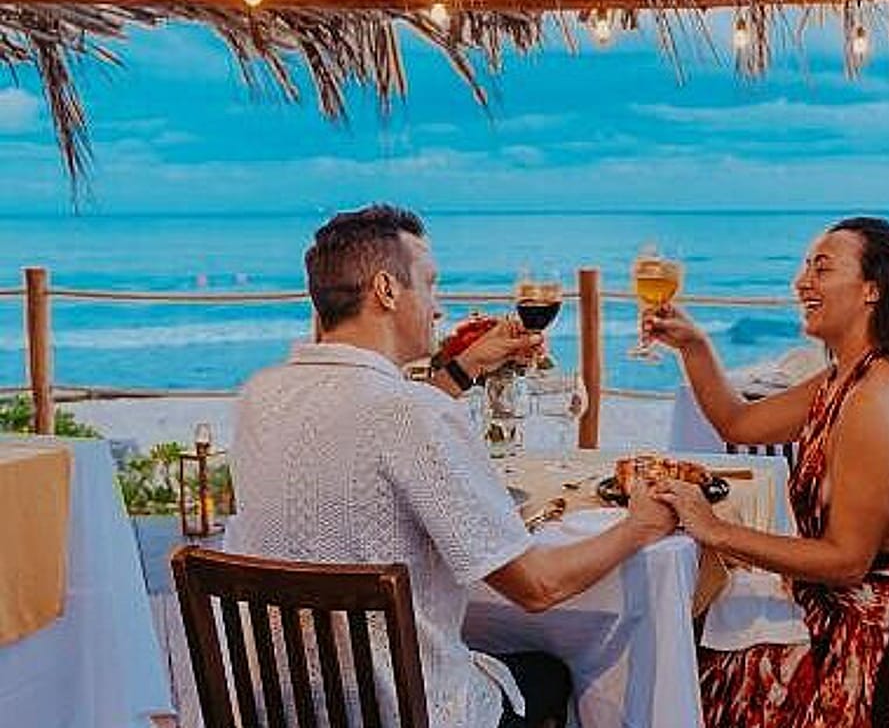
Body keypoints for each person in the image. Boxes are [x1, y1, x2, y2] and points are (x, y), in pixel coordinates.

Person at [226, 204, 676, 728]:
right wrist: (640, 527)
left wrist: (465, 369)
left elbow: (363, 430)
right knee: (554, 672)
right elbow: (538, 587)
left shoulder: (260, 396)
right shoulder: (413, 414)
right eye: (430, 285)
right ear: (387, 291)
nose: (437, 308)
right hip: (403, 711)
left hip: (279, 707)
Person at [645, 216, 889, 727]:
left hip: (846, 662)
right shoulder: (848, 376)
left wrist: (716, 531)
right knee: (687, 626)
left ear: (871, 291)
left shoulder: (874, 401)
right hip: (837, 624)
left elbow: (846, 561)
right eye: (805, 266)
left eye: (822, 267)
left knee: (664, 664)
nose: (801, 281)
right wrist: (694, 345)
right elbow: (738, 422)